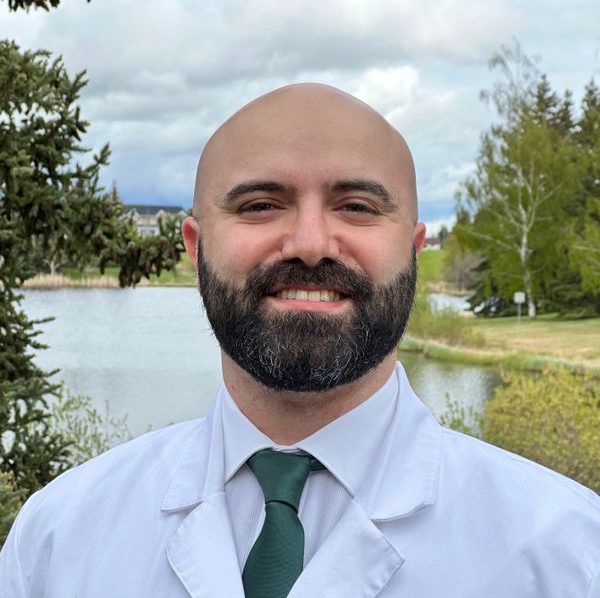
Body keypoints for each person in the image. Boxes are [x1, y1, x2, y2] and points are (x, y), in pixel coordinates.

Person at [1, 84, 599, 598]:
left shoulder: (570, 552)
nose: (311, 244)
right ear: (195, 247)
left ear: (414, 250)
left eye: (357, 207)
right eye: (261, 205)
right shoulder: (55, 540)